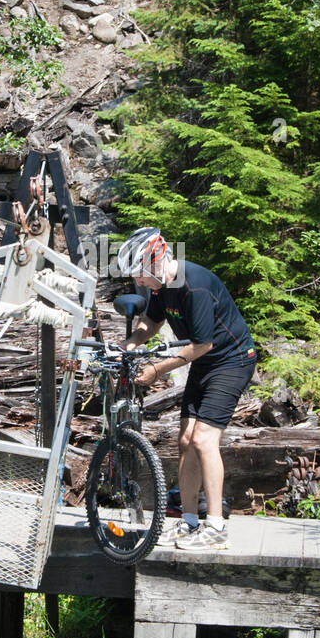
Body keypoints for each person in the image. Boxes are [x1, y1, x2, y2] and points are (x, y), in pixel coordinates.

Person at [116, 227, 257, 551]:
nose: (137, 282)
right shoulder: (161, 286)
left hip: (232, 361)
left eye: (139, 274)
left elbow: (202, 344)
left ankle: (217, 528)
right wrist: (132, 342)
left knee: (203, 439)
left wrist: (156, 369)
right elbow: (151, 323)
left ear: (155, 261)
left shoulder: (194, 285)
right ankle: (189, 521)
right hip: (207, 362)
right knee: (184, 440)